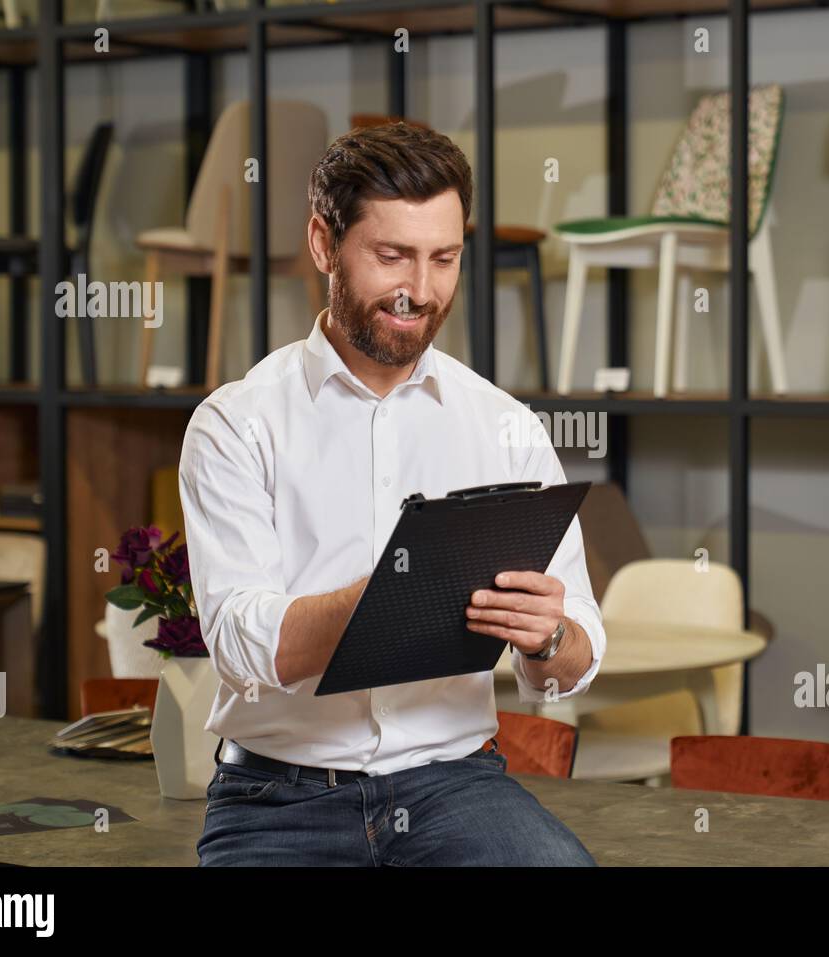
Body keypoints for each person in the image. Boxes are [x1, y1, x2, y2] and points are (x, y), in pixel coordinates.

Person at [180, 120, 604, 866]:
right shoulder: (235, 424)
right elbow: (240, 642)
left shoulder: (506, 426)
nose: (420, 290)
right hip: (276, 798)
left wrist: (548, 638)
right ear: (324, 244)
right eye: (391, 256)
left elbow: (575, 658)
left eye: (445, 258)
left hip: (455, 785)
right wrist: (389, 596)